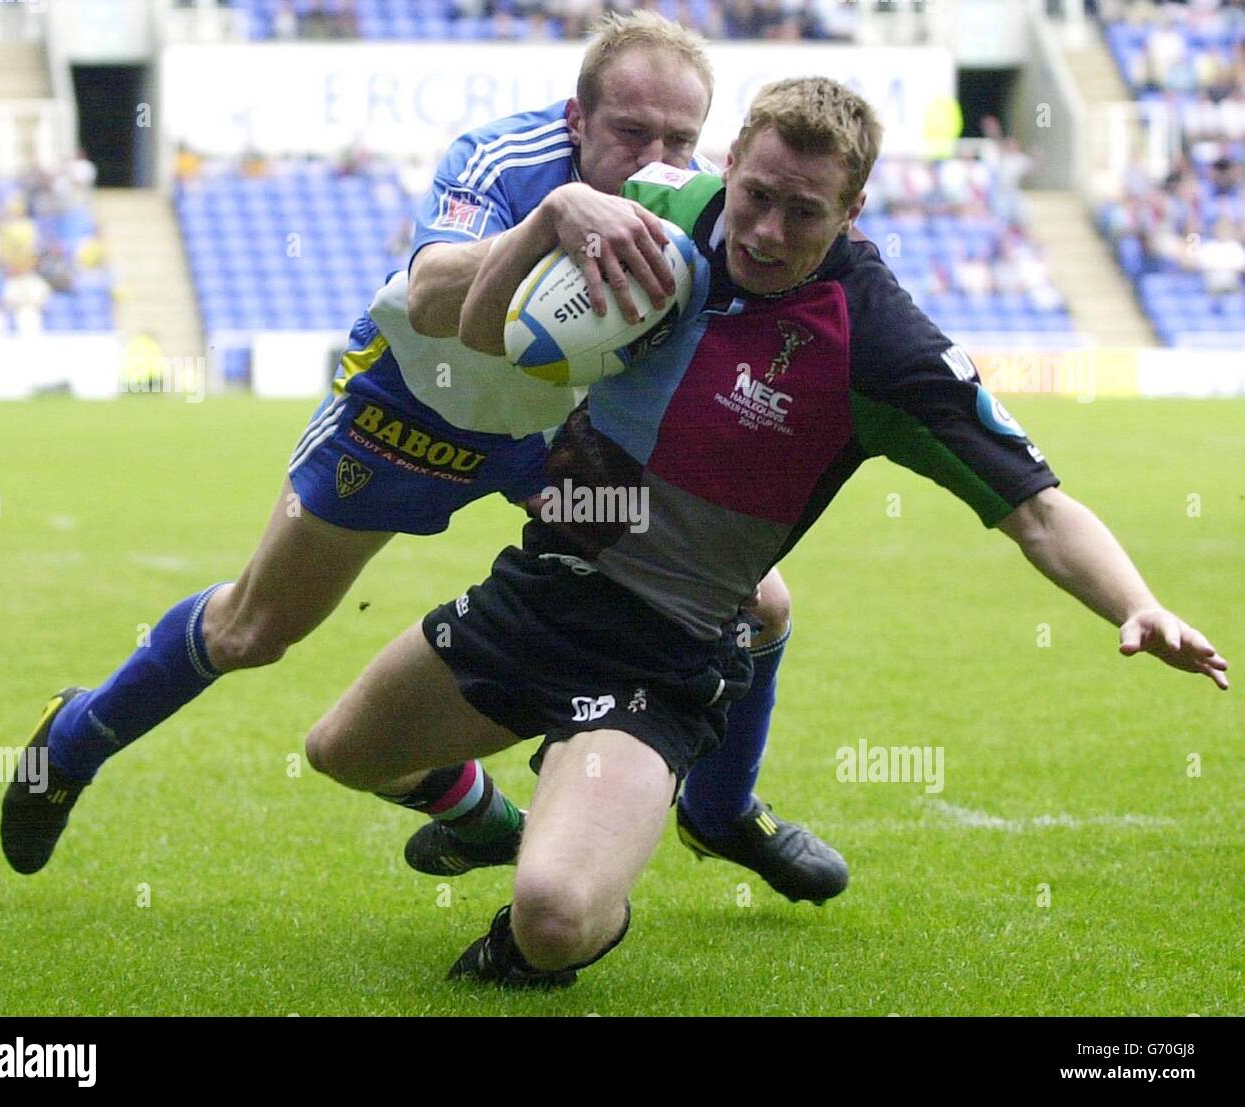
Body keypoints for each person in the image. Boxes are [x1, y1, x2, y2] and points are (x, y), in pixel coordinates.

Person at [305, 75, 1229, 988]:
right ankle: (515, 823)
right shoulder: (655, 212)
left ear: (855, 210)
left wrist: (1137, 601)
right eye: (755, 196)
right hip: (543, 592)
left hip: (663, 655)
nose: (765, 233)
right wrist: (552, 214)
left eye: (805, 212)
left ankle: (538, 923)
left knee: (554, 915)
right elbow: (479, 328)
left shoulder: (883, 346)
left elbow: (1037, 507)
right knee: (340, 751)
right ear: (730, 160)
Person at [1, 13, 847, 908]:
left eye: (679, 137)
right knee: (255, 629)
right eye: (631, 132)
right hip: (406, 417)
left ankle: (722, 811)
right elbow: (436, 291)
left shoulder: (702, 199)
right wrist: (550, 223)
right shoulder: (499, 161)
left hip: (548, 442)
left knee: (760, 598)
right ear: (576, 120)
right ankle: (71, 746)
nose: (654, 157)